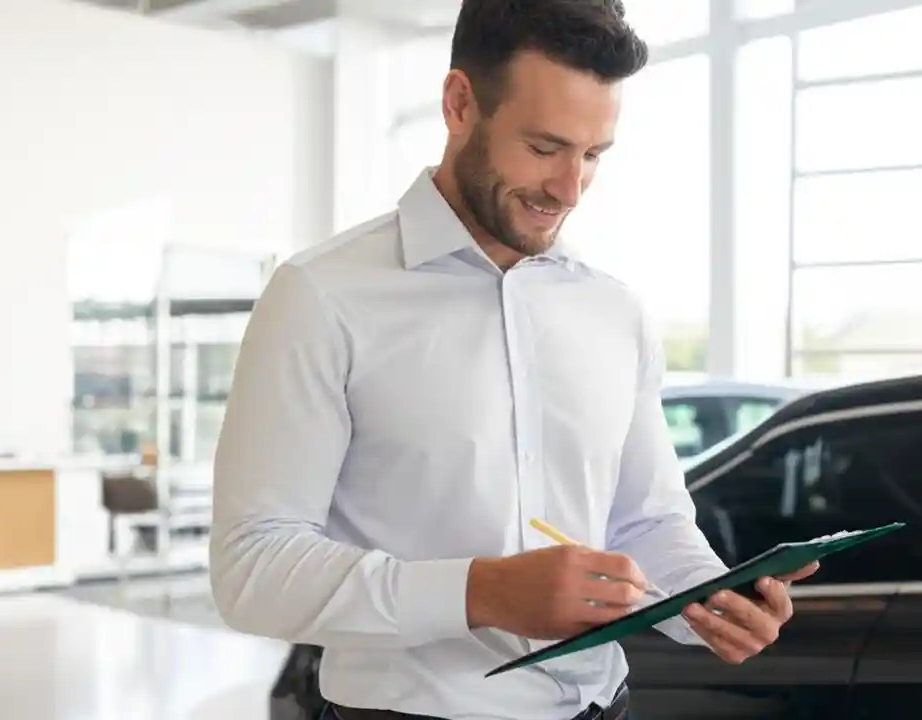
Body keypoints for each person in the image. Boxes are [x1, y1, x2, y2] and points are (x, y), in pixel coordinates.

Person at [210, 1, 819, 718]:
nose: (569, 189)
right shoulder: (320, 297)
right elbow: (252, 567)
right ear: (460, 102)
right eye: (544, 147)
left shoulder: (613, 312)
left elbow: (644, 522)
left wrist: (707, 599)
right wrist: (483, 592)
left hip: (604, 707)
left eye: (593, 156)